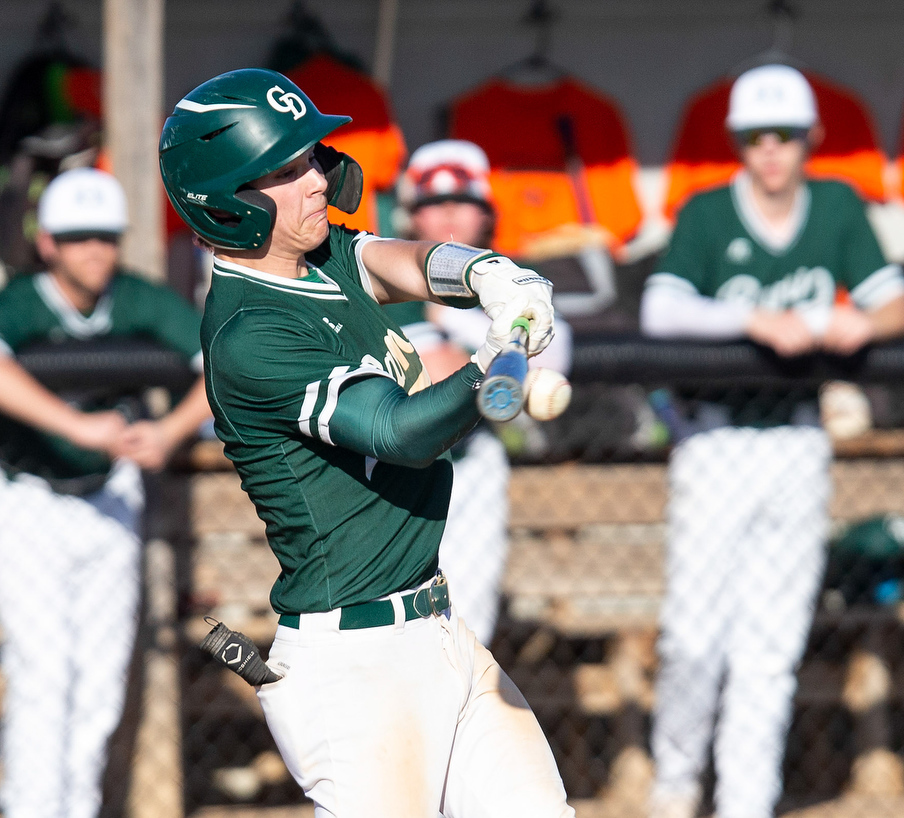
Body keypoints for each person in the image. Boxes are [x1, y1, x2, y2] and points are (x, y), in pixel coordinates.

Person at [159, 68, 575, 818]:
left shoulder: (319, 257)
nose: (317, 179)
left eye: (313, 158)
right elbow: (399, 432)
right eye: (286, 171)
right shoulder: (252, 334)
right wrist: (488, 366)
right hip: (353, 671)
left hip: (438, 631)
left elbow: (398, 259)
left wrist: (486, 275)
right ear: (226, 204)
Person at [640, 64, 904, 818]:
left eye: (785, 136)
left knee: (771, 646)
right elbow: (661, 310)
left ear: (811, 139)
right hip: (715, 440)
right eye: (755, 138)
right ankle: (675, 783)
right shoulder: (707, 211)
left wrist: (865, 321)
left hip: (796, 440)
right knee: (695, 634)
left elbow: (891, 301)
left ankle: (746, 803)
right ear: (737, 145)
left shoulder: (837, 208)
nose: (771, 152)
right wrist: (748, 320)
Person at [0, 167, 212, 818]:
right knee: (43, 673)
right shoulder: (23, 298)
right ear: (48, 244)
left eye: (105, 236)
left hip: (109, 495)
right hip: (26, 495)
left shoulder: (136, 297)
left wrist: (171, 433)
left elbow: (225, 359)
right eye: (76, 237)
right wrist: (79, 426)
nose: (93, 250)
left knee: (99, 682)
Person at [387, 138, 570, 645]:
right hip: (391, 472)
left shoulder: (514, 281)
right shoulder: (385, 283)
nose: (447, 215)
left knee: (470, 627)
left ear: (485, 213)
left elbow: (557, 353)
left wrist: (452, 324)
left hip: (472, 462)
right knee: (401, 635)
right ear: (411, 217)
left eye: (462, 202)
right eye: (431, 204)